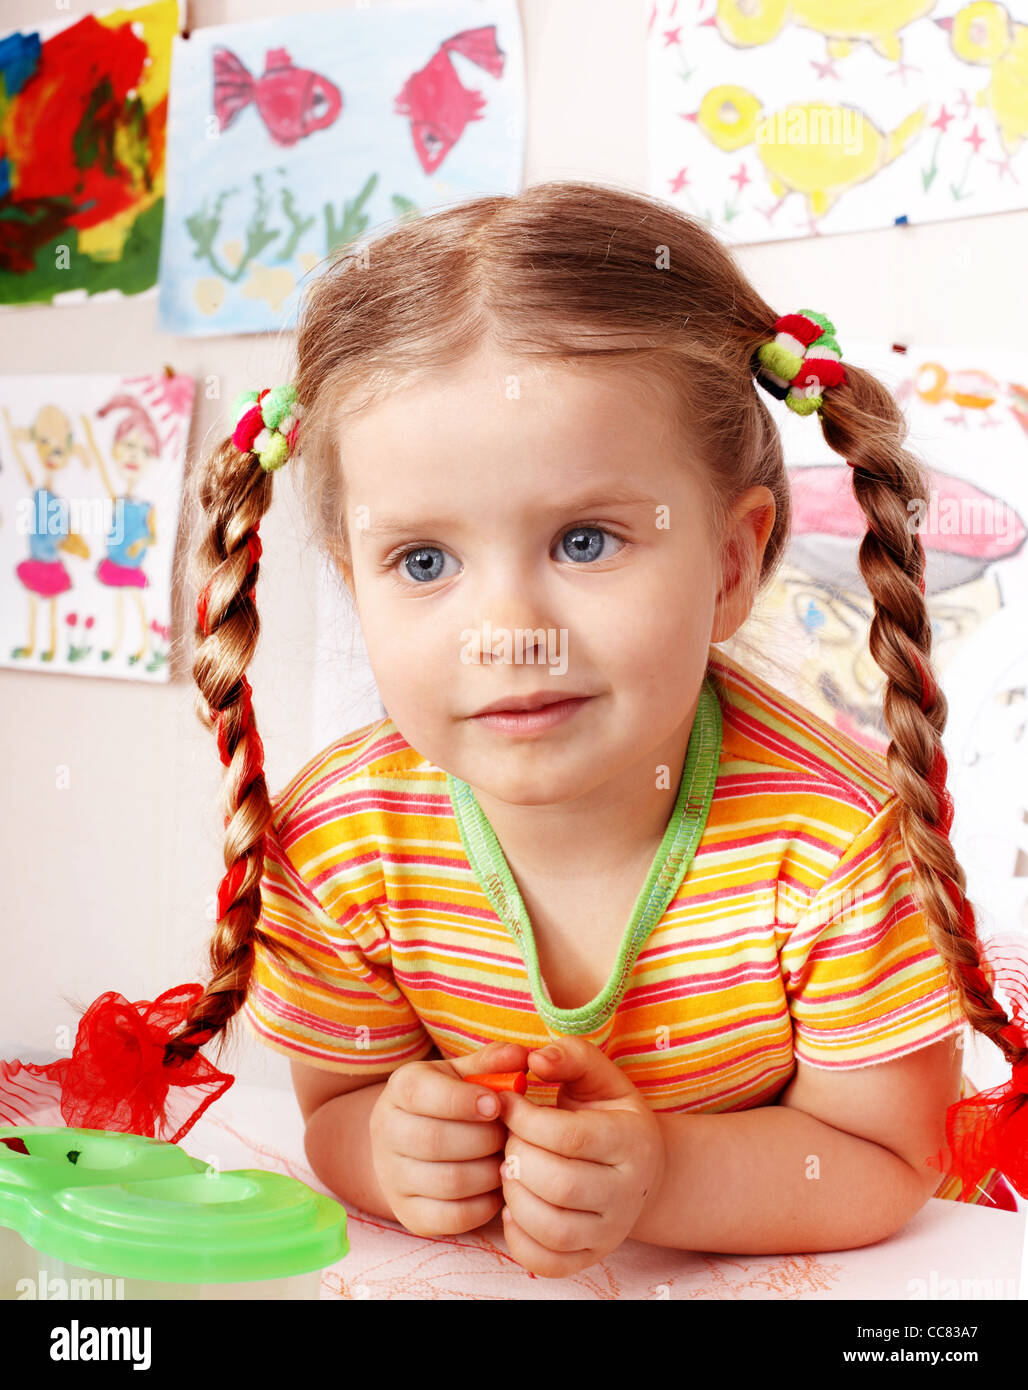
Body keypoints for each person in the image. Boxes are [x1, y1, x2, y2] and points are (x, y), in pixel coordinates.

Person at [167, 181, 1028, 1278]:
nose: (507, 631)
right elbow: (339, 1103)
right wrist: (392, 1153)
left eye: (583, 542)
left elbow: (879, 1157)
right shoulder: (338, 840)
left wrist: (659, 1172)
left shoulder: (833, 843)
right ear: (353, 584)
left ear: (727, 562)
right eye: (423, 562)